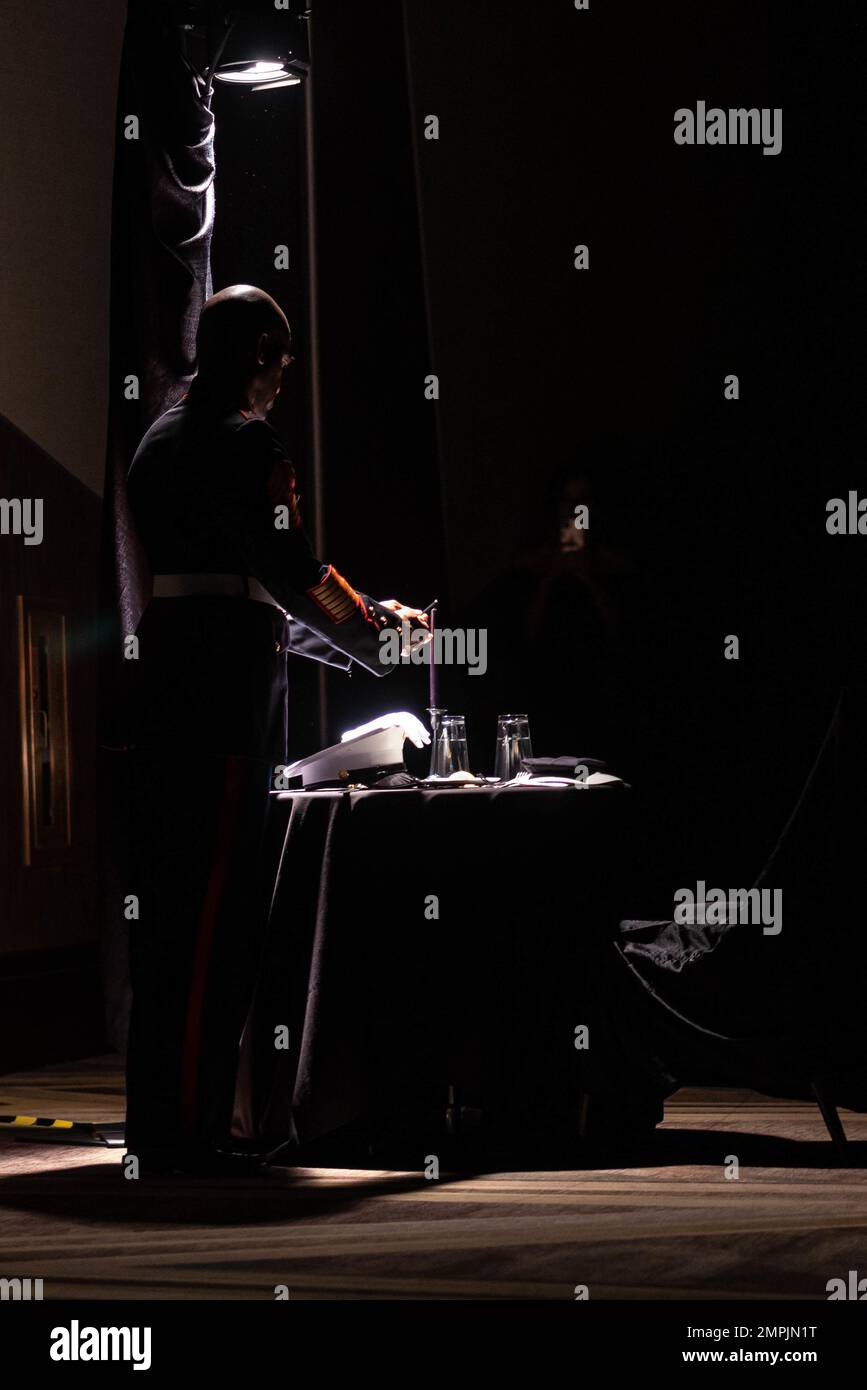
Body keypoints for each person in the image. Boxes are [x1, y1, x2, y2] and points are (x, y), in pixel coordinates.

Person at [124, 285, 427, 1176]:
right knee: (217, 923)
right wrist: (384, 631)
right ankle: (189, 1140)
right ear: (258, 349)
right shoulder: (246, 443)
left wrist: (362, 633)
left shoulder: (158, 439)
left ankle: (168, 1126)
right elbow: (295, 578)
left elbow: (243, 587)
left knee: (174, 925)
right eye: (282, 360)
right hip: (222, 708)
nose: (283, 380)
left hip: (168, 694)